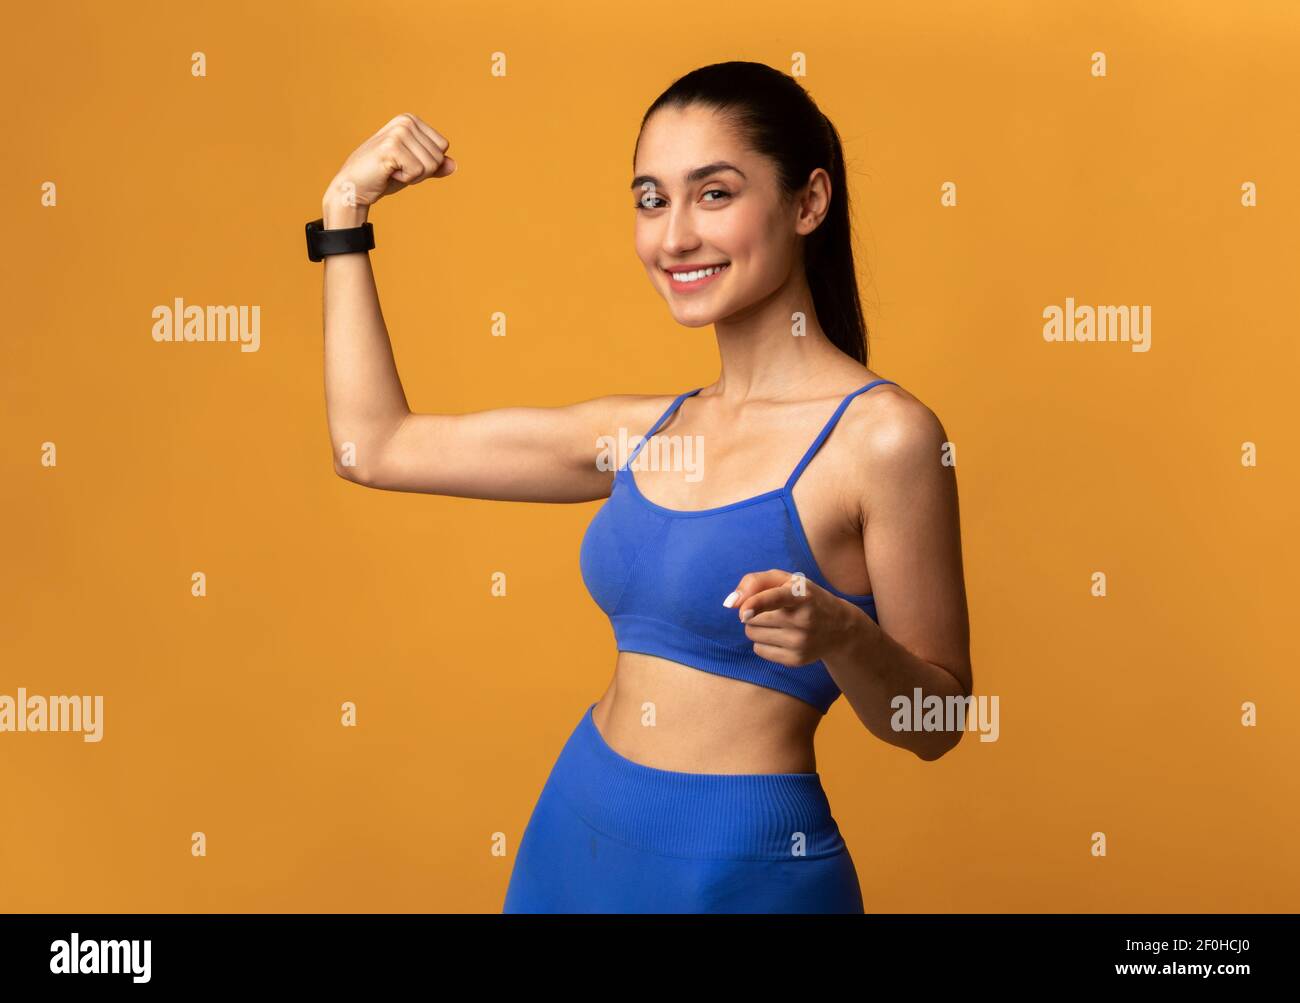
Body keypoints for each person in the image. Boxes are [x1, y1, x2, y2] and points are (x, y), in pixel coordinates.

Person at [315, 61, 972, 913]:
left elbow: (939, 725)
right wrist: (342, 213)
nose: (674, 238)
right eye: (652, 200)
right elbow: (373, 446)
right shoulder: (645, 434)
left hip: (742, 867)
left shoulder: (885, 438)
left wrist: (845, 634)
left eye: (715, 194)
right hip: (575, 832)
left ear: (809, 202)